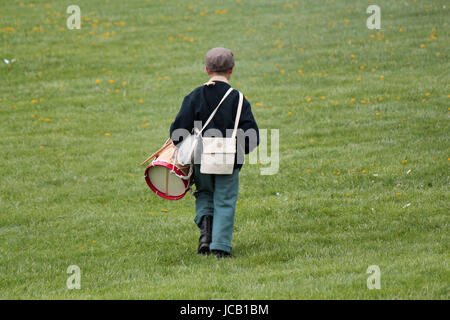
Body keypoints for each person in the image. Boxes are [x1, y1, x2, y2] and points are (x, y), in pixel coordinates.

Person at [170, 47, 259, 258]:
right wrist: (239, 148)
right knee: (225, 199)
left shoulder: (195, 96)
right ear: (231, 70)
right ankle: (220, 247)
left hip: (201, 158)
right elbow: (252, 136)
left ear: (207, 69)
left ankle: (206, 237)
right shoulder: (239, 99)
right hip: (230, 158)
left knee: (204, 194)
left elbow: (177, 132)